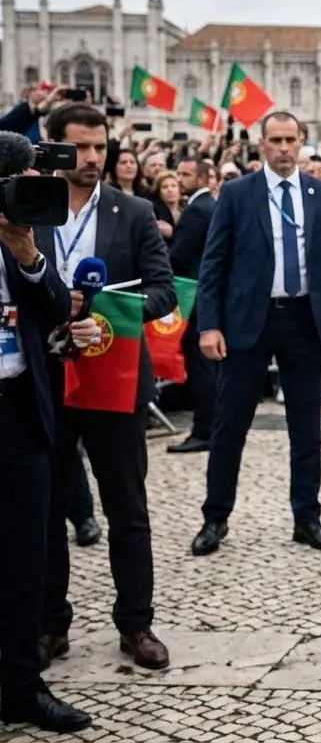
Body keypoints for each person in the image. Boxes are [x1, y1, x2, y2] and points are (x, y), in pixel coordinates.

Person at [38, 103, 176, 673]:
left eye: (100, 147)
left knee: (127, 506)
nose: (94, 158)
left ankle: (135, 622)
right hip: (44, 379)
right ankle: (49, 625)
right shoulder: (26, 209)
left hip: (114, 375)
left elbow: (165, 292)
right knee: (46, 507)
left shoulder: (134, 210)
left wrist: (118, 312)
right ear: (51, 148)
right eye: (81, 148)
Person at [192, 110, 321, 556]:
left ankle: (306, 516)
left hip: (304, 321)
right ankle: (215, 517)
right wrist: (208, 324)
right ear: (262, 144)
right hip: (248, 321)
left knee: (306, 428)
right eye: (276, 140)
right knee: (230, 425)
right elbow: (213, 265)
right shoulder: (236, 194)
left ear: (302, 142)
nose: (285, 148)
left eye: (292, 139)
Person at [0, 208, 93, 733]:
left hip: (18, 413)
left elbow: (57, 308)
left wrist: (28, 256)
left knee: (25, 558)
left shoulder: (28, 240)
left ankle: (22, 686)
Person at [166, 157, 219, 454]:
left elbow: (180, 256)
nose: (179, 178)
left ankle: (204, 429)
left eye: (185, 174)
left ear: (201, 179)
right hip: (204, 295)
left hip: (195, 295)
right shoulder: (206, 207)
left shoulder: (198, 210)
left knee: (200, 366)